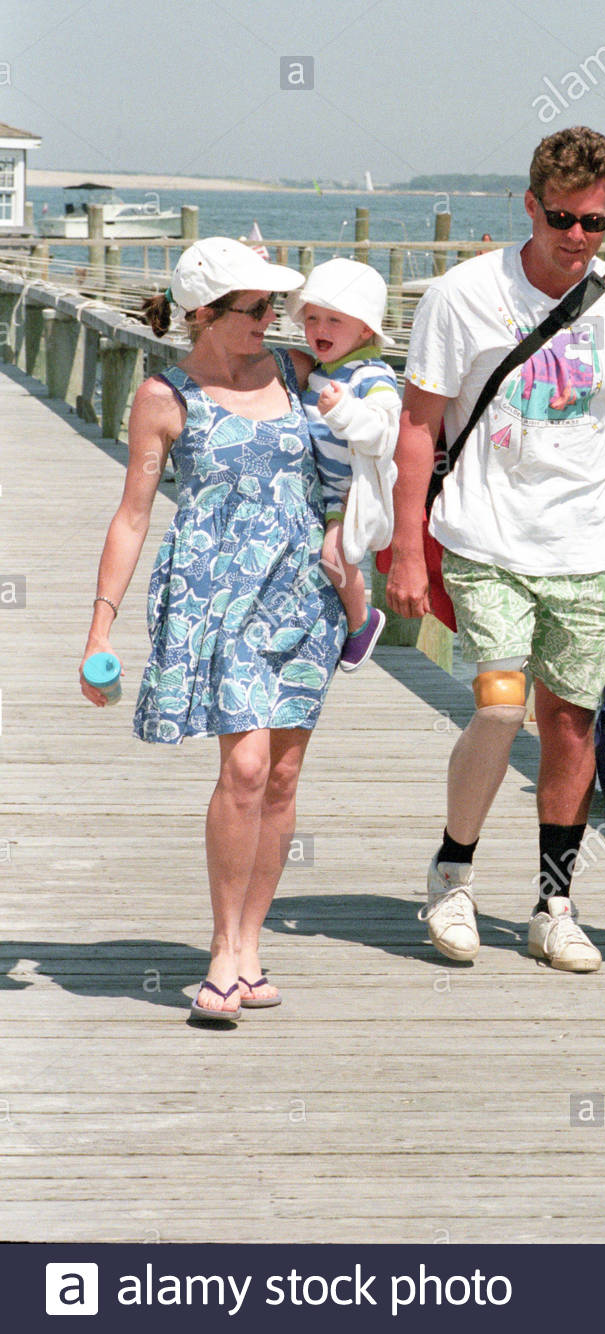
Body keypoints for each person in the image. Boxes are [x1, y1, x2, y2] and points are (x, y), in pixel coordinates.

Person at [387, 126, 605, 973]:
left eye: (594, 222)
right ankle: (452, 873)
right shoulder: (462, 294)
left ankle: (553, 902)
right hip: (482, 537)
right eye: (560, 217)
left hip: (588, 548)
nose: (575, 237)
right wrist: (407, 546)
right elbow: (415, 425)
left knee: (571, 725)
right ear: (528, 204)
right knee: (502, 705)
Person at [79, 237, 346, 1022]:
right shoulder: (166, 397)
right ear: (204, 314)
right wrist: (100, 631)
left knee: (285, 775)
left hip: (303, 596)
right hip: (213, 594)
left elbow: (382, 419)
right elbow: (132, 517)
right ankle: (223, 949)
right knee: (246, 770)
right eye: (256, 307)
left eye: (273, 306)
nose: (273, 318)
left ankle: (252, 946)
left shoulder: (301, 373)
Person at [286, 259, 400, 670]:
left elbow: (386, 431)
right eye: (312, 317)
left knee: (334, 554)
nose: (320, 328)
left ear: (366, 329)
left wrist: (345, 412)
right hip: (317, 489)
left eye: (335, 319)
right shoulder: (319, 371)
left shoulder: (371, 374)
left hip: (348, 491)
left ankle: (362, 620)